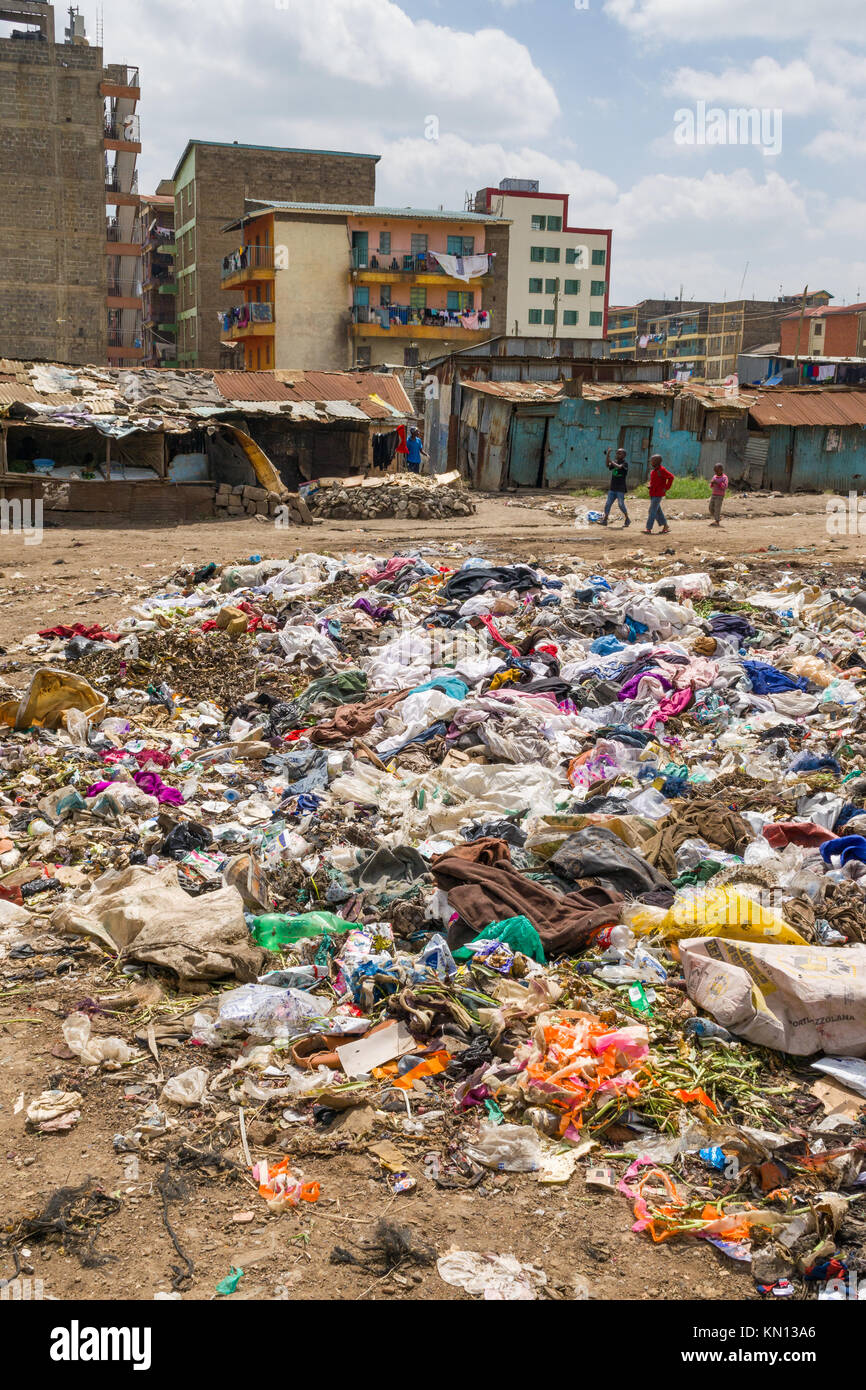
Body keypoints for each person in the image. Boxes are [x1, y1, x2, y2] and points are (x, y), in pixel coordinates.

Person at [601, 447, 630, 526]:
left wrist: (611, 461)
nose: (617, 454)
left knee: (621, 505)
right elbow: (607, 465)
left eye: (620, 453)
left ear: (624, 455)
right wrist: (608, 455)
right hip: (612, 488)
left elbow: (619, 467)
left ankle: (627, 518)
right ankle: (605, 520)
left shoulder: (625, 463)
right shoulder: (615, 462)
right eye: (617, 453)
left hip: (620, 488)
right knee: (608, 504)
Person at [645, 454, 673, 534]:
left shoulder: (662, 470)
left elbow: (671, 477)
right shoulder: (654, 471)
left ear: (657, 462)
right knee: (657, 511)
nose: (651, 462)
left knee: (652, 511)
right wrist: (650, 486)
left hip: (658, 494)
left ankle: (648, 528)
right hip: (653, 493)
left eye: (652, 460)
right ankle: (665, 526)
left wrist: (666, 488)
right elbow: (656, 481)